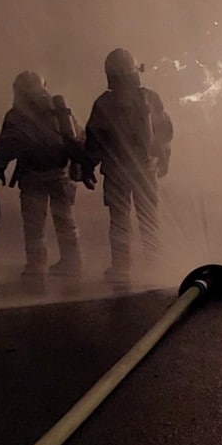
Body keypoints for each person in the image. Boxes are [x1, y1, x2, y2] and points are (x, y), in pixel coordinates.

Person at [0, 69, 92, 287]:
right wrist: (80, 166)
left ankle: (35, 267)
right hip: (61, 175)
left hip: (32, 178)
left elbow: (7, 146)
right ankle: (71, 263)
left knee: (34, 226)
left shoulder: (16, 115)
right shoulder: (60, 111)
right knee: (66, 222)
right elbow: (78, 138)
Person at [84, 47, 173, 288]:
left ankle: (121, 268)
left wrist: (87, 168)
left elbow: (94, 141)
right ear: (136, 71)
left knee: (119, 220)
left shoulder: (103, 103)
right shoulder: (151, 98)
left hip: (116, 172)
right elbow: (164, 132)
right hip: (145, 170)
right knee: (149, 219)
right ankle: (155, 265)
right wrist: (164, 158)